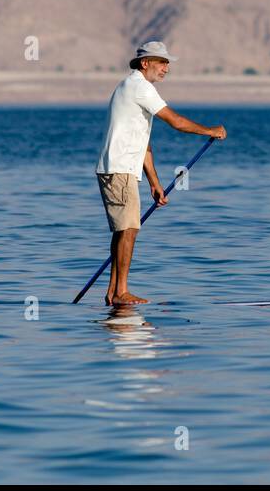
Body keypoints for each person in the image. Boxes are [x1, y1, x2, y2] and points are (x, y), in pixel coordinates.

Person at [96, 41, 226, 305]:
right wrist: (210, 130)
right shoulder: (140, 87)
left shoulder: (133, 86)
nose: (167, 68)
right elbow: (176, 122)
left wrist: (154, 183)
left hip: (122, 169)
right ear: (145, 63)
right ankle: (121, 293)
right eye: (162, 62)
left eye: (168, 63)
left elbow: (143, 144)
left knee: (124, 230)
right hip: (119, 169)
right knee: (129, 228)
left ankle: (113, 293)